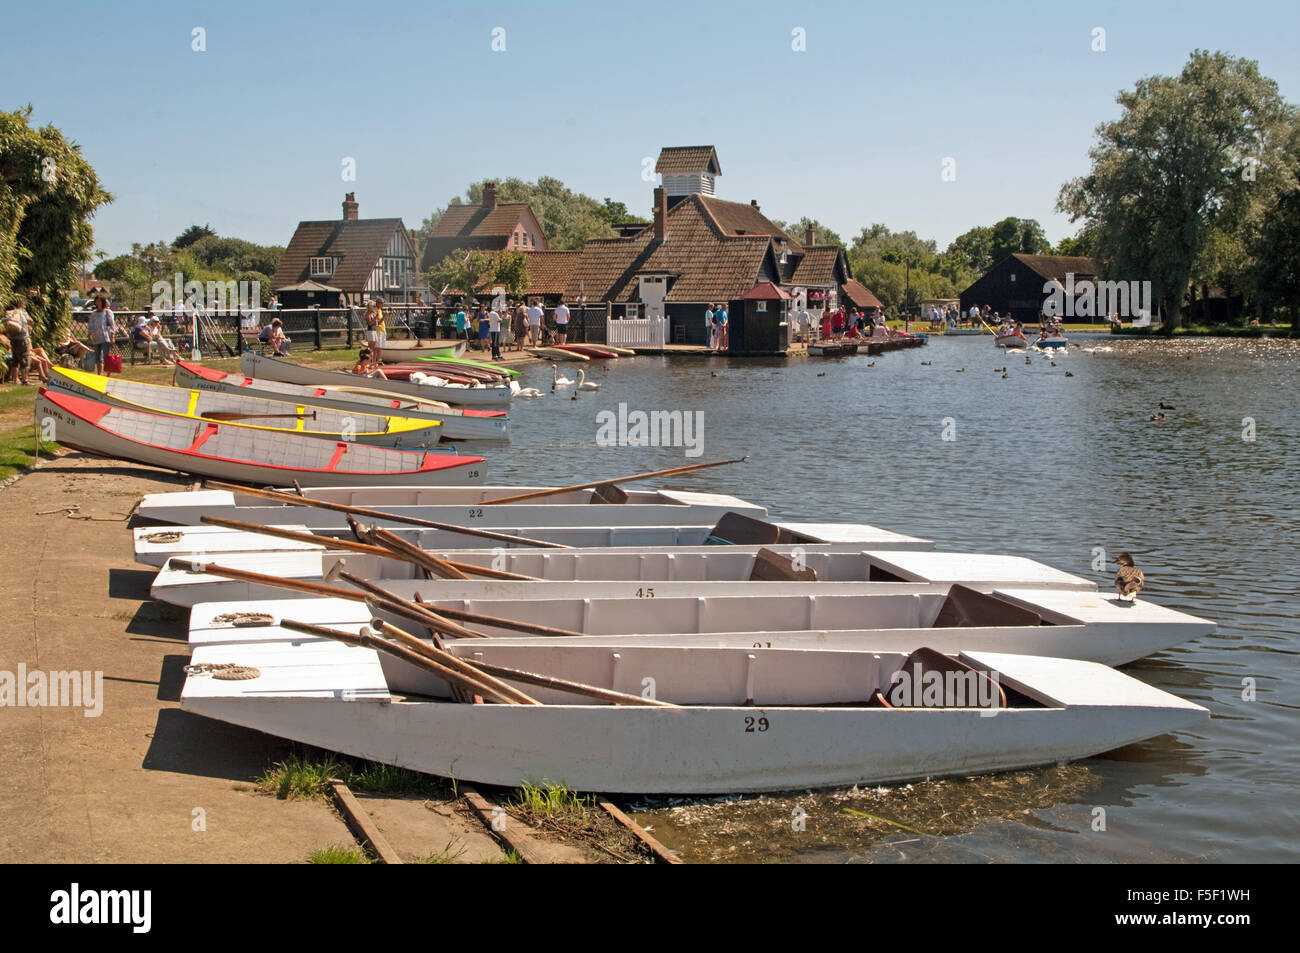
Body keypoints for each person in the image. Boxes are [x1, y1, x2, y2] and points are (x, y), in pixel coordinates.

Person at [2, 298, 33, 384]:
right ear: (20, 305)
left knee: (15, 359)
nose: (25, 306)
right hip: (22, 338)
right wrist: (29, 328)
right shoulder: (22, 312)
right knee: (24, 359)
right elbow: (31, 321)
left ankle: (15, 379)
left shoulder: (10, 312)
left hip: (13, 338)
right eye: (24, 304)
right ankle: (24, 380)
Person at [87, 295, 116, 375]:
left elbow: (112, 324)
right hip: (96, 337)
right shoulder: (94, 313)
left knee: (107, 355)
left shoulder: (107, 312)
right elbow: (91, 325)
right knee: (98, 356)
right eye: (96, 301)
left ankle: (108, 372)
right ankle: (99, 373)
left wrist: (112, 336)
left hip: (105, 337)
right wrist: (89, 335)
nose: (97, 303)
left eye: (99, 301)